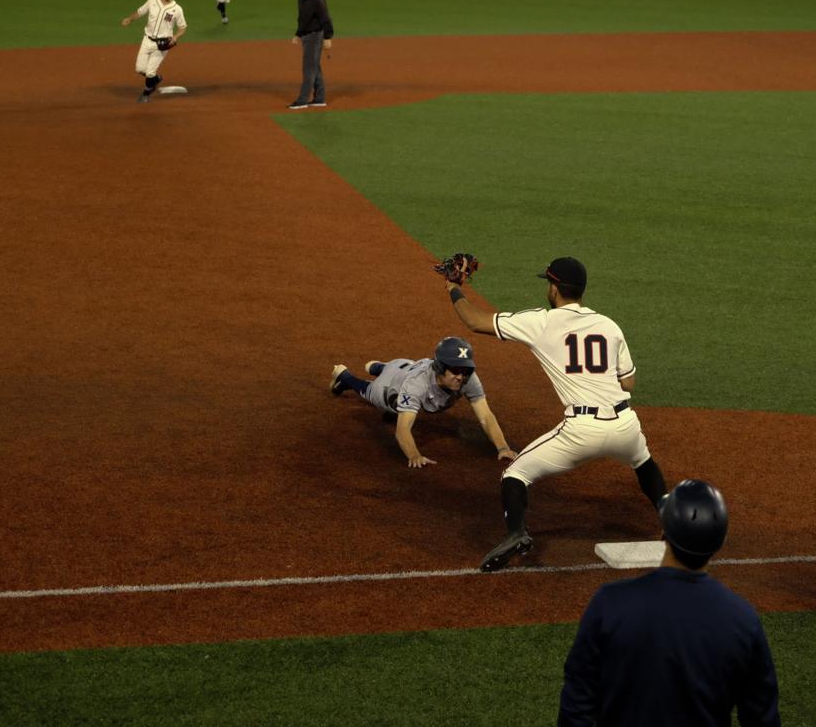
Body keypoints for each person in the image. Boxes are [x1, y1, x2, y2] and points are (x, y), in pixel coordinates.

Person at [447, 256, 668, 572]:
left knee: (515, 474)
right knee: (643, 462)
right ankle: (673, 521)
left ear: (555, 288)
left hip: (582, 430)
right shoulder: (609, 325)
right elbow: (628, 380)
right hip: (625, 425)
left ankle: (516, 533)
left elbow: (475, 321)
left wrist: (453, 287)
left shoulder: (542, 321)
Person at [558, 480, 781, 727]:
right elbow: (762, 717)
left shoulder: (610, 603)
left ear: (664, 532)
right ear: (720, 542)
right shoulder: (742, 619)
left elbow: (576, 704)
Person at [329, 337, 518, 469]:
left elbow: (485, 416)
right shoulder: (416, 385)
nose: (461, 377)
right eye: (455, 370)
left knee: (395, 373)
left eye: (466, 370)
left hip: (405, 365)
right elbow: (402, 429)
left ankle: (379, 367)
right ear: (439, 368)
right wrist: (414, 455)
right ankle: (345, 377)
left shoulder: (468, 378)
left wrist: (503, 447)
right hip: (392, 386)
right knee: (379, 398)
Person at [120, 0, 187, 104]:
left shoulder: (177, 9)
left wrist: (175, 37)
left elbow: (183, 27)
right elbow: (140, 12)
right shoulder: (152, 2)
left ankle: (146, 92)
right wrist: (129, 19)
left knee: (150, 72)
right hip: (147, 40)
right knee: (140, 69)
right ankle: (156, 79)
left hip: (161, 45)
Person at [290, 0, 333, 109]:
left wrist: (327, 37)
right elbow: (303, 20)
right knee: (314, 67)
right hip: (306, 37)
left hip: (315, 37)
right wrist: (298, 34)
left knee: (308, 68)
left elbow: (325, 19)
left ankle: (302, 100)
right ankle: (320, 98)